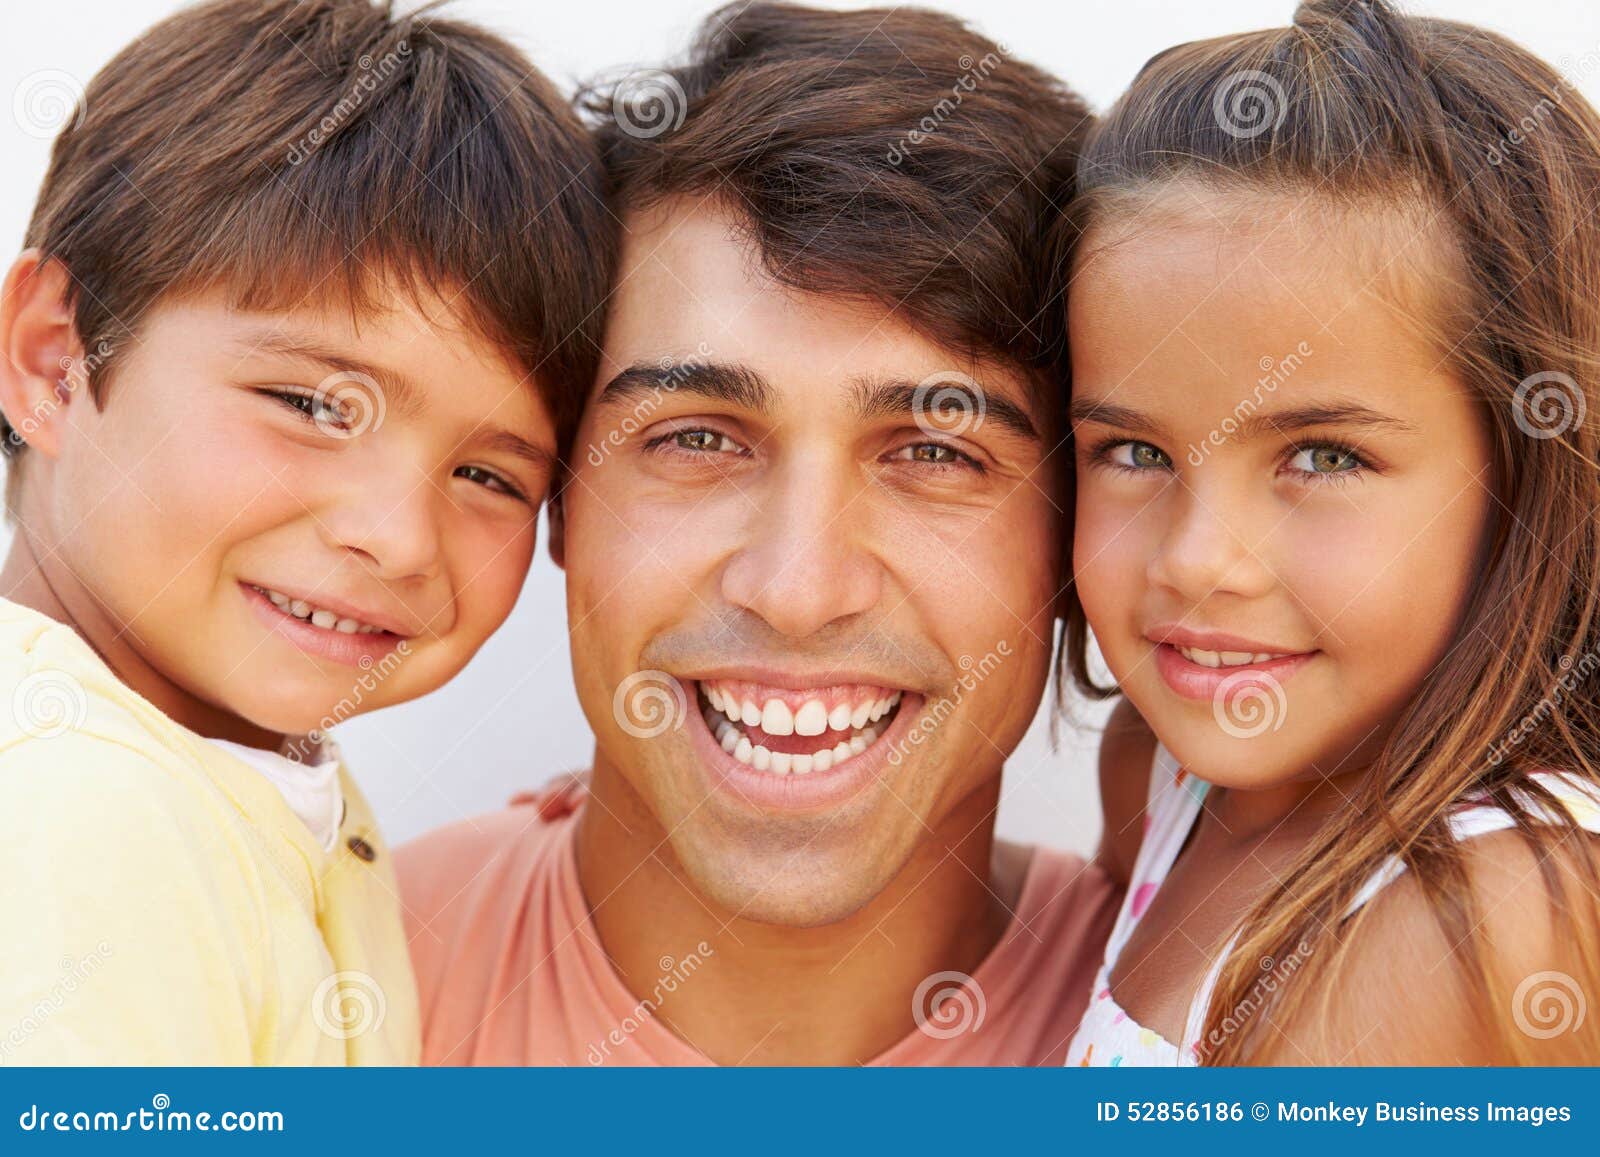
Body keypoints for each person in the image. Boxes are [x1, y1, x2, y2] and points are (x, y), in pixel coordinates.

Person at [398, 1, 1122, 1066]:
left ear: (1077, 546)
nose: (796, 585)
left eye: (935, 453)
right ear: (559, 494)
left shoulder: (1235, 1037)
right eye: (698, 438)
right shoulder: (314, 985)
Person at [0, 0, 610, 1063]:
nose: (400, 537)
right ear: (58, 362)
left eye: (486, 474)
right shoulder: (72, 807)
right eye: (313, 405)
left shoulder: (218, 773)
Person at [1064, 0, 1600, 1065]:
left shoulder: (1485, 915)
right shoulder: (1161, 779)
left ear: (1525, 473)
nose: (1195, 560)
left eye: (1322, 456)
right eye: (1134, 452)